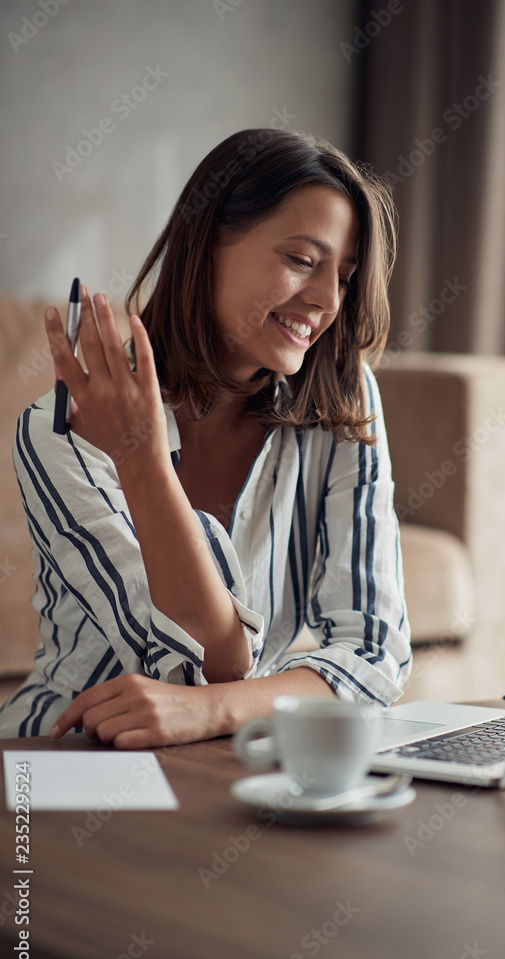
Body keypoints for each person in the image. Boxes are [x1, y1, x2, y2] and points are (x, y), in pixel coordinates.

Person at [0, 127, 412, 747]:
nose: (326, 301)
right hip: (68, 752)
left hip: (237, 747)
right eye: (302, 260)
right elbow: (196, 663)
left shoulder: (341, 398)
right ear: (210, 240)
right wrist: (141, 458)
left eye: (346, 277)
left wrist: (218, 711)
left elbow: (376, 654)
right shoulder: (57, 432)